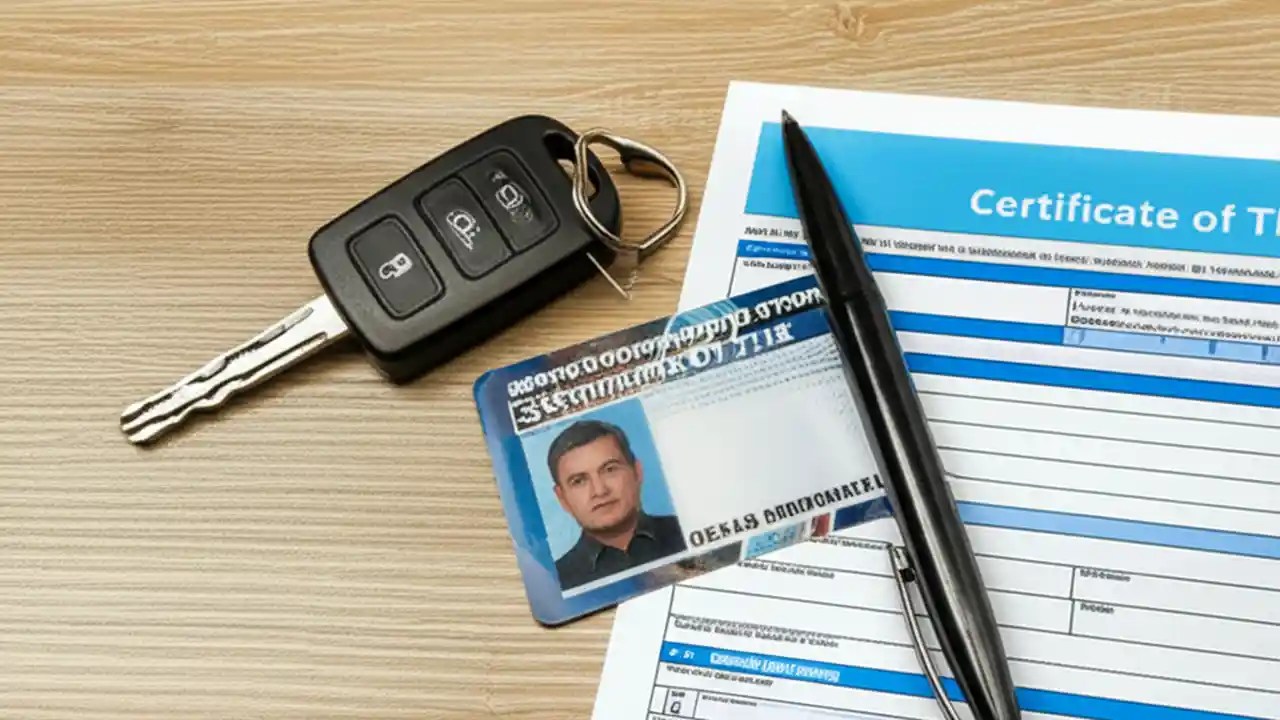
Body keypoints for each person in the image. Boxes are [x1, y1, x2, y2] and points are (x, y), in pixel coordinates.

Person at [547, 419, 686, 589]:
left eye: (610, 470)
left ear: (637, 472)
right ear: (562, 498)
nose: (599, 491)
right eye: (579, 481)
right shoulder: (556, 583)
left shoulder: (688, 531)